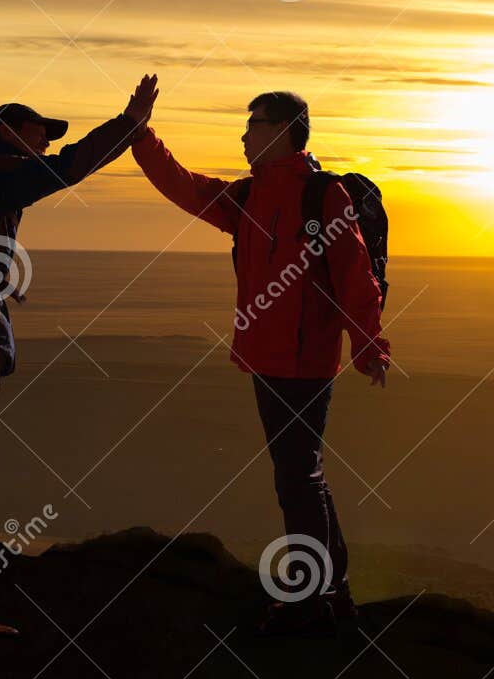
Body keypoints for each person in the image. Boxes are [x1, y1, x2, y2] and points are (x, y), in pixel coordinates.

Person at [0, 75, 160, 637]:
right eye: (40, 133)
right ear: (10, 132)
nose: (44, 143)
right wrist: (129, 123)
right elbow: (67, 168)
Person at [131, 90, 390, 636]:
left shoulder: (324, 195)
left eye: (254, 124)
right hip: (267, 359)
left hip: (304, 363)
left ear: (283, 130)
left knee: (297, 479)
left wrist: (369, 346)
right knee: (302, 477)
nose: (244, 135)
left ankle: (311, 604)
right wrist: (141, 137)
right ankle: (331, 593)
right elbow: (189, 189)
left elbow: (354, 274)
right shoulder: (251, 196)